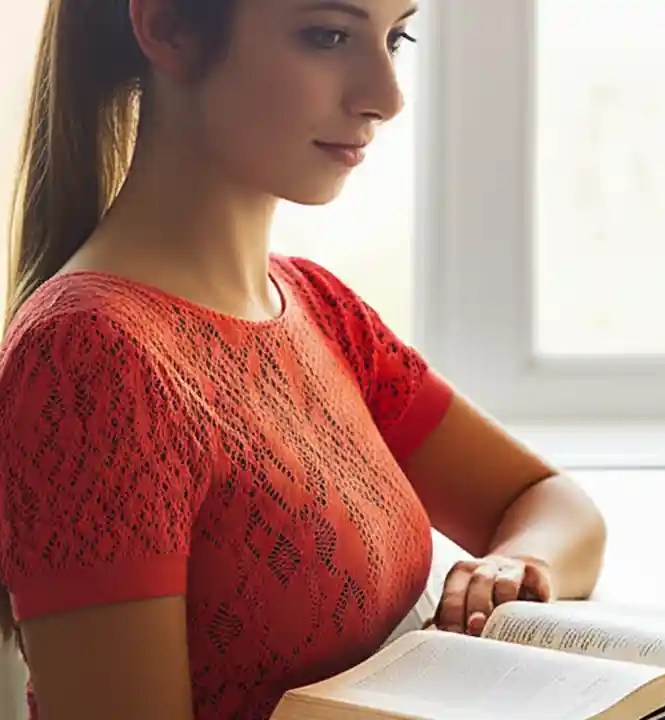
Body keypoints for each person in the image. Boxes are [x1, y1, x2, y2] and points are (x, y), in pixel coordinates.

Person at [0, 1, 608, 718]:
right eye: (329, 36)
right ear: (167, 26)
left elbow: (548, 503)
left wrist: (517, 567)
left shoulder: (317, 306)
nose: (387, 97)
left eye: (396, 37)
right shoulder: (91, 360)